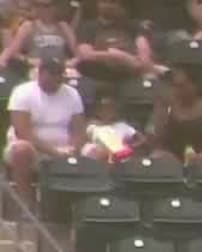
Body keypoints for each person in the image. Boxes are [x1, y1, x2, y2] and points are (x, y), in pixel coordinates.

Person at [3, 57, 84, 200]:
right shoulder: (22, 92)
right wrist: (53, 152)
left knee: (96, 152)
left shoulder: (72, 94)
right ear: (40, 74)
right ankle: (26, 207)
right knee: (22, 150)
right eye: (50, 75)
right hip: (33, 150)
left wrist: (74, 149)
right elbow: (23, 132)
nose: (54, 80)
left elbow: (78, 129)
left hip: (65, 149)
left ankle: (85, 208)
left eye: (58, 76)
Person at [146, 67, 202, 165]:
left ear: (194, 86)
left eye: (182, 86)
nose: (177, 90)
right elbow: (152, 137)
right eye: (175, 86)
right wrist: (161, 111)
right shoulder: (167, 107)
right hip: (171, 158)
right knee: (156, 156)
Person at [0, 0, 74, 71]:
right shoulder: (28, 26)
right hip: (35, 70)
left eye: (47, 6)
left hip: (60, 70)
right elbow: (12, 53)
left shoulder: (63, 27)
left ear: (54, 7)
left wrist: (66, 63)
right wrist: (29, 61)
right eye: (39, 5)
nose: (43, 9)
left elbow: (78, 56)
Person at [81, 93, 141, 161]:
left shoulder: (122, 126)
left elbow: (141, 139)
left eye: (110, 107)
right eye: (104, 107)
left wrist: (130, 146)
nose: (107, 110)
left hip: (119, 160)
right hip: (95, 160)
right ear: (98, 110)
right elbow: (82, 141)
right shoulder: (92, 126)